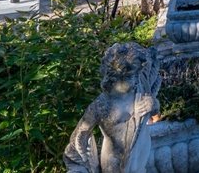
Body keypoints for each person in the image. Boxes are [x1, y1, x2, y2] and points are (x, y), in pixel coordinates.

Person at [65, 43, 161, 173]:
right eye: (131, 76)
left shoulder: (140, 91)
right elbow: (80, 134)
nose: (136, 80)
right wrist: (83, 161)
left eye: (136, 74)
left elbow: (155, 112)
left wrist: (153, 103)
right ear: (114, 77)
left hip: (140, 163)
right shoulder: (102, 105)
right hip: (114, 166)